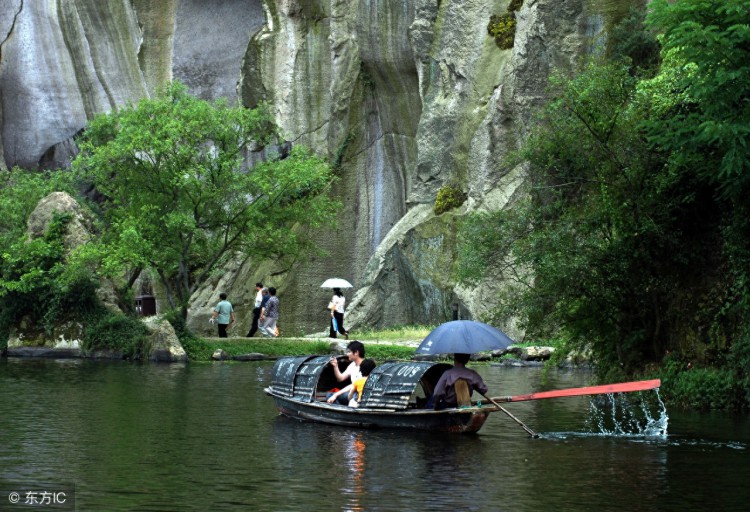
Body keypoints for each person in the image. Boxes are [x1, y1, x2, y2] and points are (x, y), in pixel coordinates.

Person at [327, 341, 365, 405]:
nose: (347, 354)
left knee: (331, 395)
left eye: (349, 352)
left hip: (360, 394)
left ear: (356, 353)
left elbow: (354, 385)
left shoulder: (366, 365)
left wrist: (336, 395)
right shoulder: (353, 365)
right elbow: (340, 378)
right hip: (352, 392)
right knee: (330, 394)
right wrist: (335, 366)